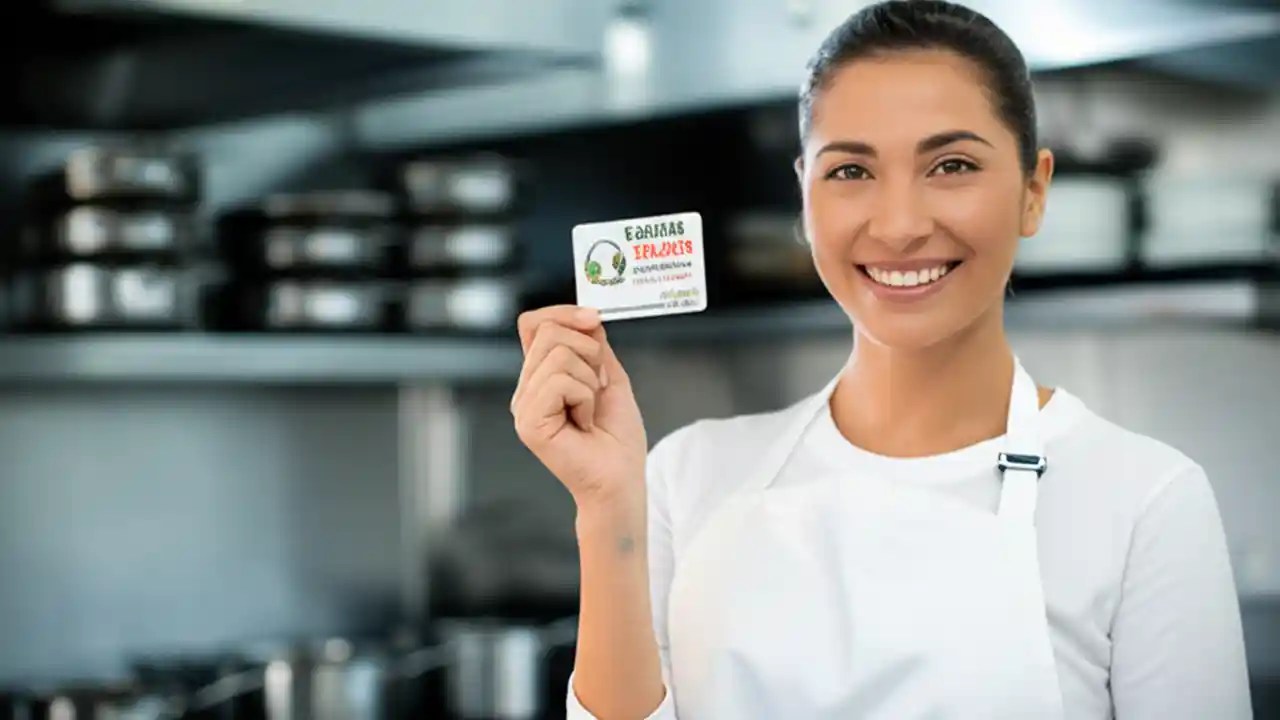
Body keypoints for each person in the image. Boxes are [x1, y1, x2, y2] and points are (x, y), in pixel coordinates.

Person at [510, 1, 1252, 718]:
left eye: (952, 164)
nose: (898, 226)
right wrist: (606, 507)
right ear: (804, 197)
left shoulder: (1147, 501)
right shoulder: (687, 475)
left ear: (1034, 191)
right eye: (851, 172)